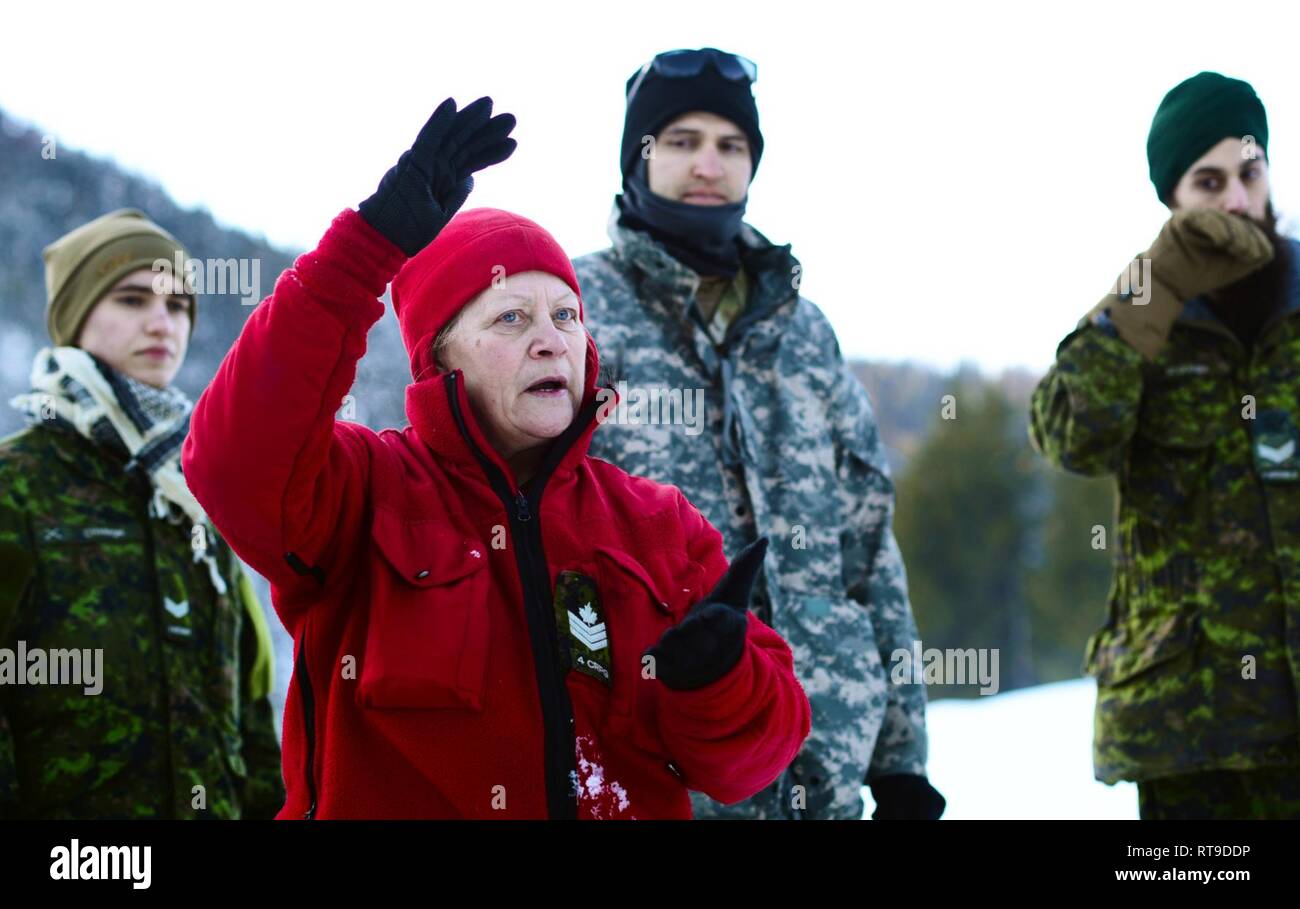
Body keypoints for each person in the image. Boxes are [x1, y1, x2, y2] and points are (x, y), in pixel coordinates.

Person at [180, 96, 812, 819]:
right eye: (512, 317)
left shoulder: (657, 523)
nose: (551, 341)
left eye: (566, 316)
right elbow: (233, 461)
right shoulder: (363, 492)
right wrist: (363, 251)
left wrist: (722, 683)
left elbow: (753, 760)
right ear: (439, 355)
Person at [573, 48, 942, 820]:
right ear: (638, 156)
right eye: (682, 141)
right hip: (660, 777)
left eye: (731, 144)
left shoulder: (802, 329)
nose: (709, 163)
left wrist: (901, 759)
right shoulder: (576, 311)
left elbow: (869, 543)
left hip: (825, 772)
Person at [1029, 71, 1300, 819]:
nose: (1237, 200)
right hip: (1190, 732)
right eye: (1209, 182)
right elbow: (1071, 436)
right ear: (1173, 199)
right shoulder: (1140, 312)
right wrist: (1156, 290)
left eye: (1250, 173)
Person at [0, 210, 282, 819]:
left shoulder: (198, 493)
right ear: (76, 315)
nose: (162, 322)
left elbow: (252, 711)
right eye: (132, 299)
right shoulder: (15, 484)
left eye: (178, 305)